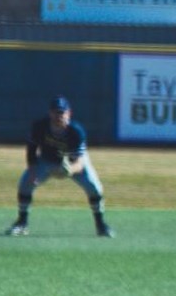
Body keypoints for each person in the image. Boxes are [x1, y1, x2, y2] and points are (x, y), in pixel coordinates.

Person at [7, 96, 114, 238]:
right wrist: (33, 173)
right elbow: (31, 152)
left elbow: (80, 162)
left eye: (62, 112)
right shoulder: (40, 127)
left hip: (72, 162)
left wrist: (69, 170)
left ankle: (101, 225)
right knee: (24, 183)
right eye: (56, 112)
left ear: (69, 113)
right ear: (50, 113)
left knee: (94, 187)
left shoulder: (76, 131)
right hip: (46, 161)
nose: (59, 116)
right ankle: (22, 223)